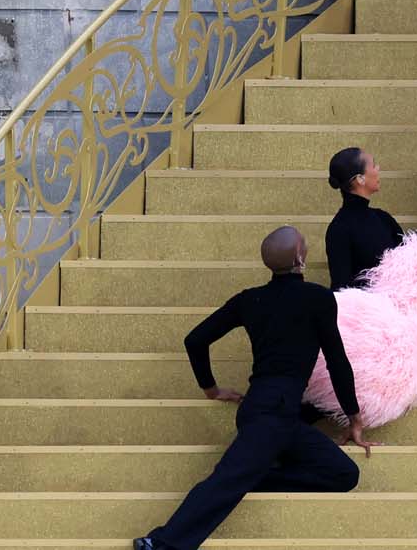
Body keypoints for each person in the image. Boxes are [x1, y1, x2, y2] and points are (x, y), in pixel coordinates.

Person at [132, 226, 370, 550]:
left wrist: (211, 388)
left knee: (344, 474)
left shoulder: (250, 300)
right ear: (300, 258)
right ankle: (161, 542)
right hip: (269, 413)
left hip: (281, 416)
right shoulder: (318, 298)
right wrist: (354, 418)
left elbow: (196, 340)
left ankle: (255, 476)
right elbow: (337, 362)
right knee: (226, 480)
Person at [322, 147, 403, 292]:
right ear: (360, 179)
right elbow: (342, 287)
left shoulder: (384, 219)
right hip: (364, 311)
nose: (378, 168)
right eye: (373, 165)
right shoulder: (339, 229)